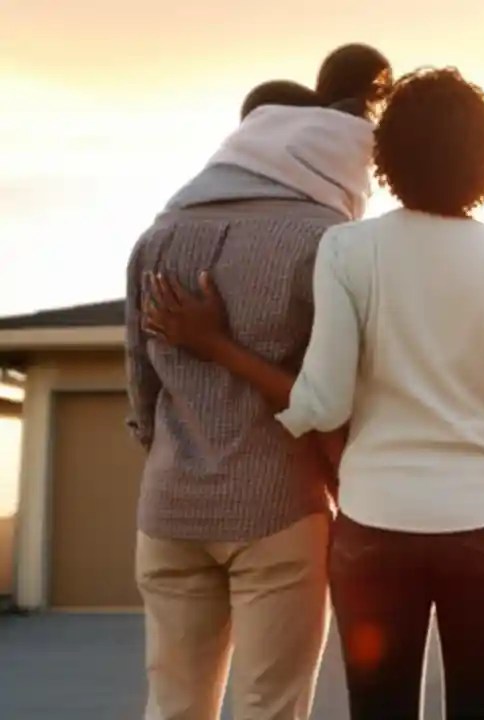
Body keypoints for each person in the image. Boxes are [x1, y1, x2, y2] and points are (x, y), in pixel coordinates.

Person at [141, 67, 484, 720]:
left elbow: (323, 406)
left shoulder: (348, 251)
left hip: (375, 534)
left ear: (387, 157)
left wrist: (217, 347)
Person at [124, 46, 389, 720]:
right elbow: (332, 396)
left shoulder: (159, 234)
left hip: (170, 508)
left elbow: (142, 398)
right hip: (278, 506)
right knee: (272, 707)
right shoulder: (326, 239)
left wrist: (183, 452)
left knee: (173, 705)